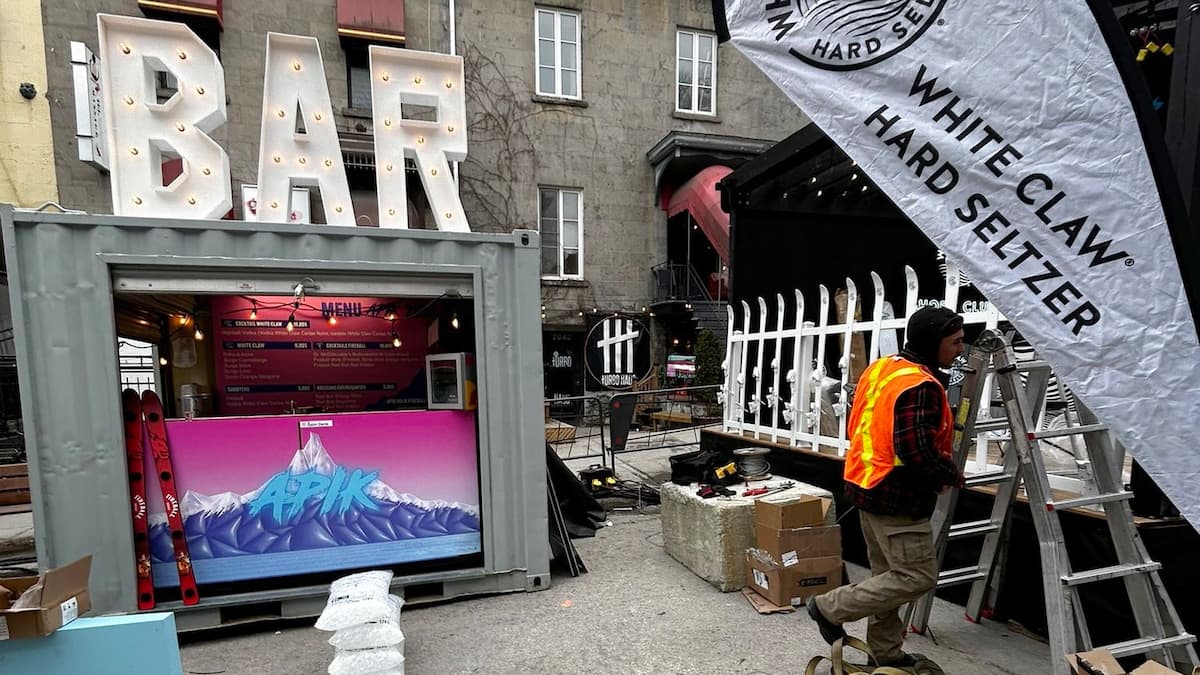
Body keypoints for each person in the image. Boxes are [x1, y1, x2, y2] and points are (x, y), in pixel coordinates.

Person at [806, 305, 966, 669]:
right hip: (898, 498)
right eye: (954, 342)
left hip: (866, 483)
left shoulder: (885, 367)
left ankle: (886, 656)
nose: (960, 349)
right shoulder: (920, 385)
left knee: (886, 580)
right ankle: (830, 607)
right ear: (932, 342)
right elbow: (916, 450)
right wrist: (950, 474)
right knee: (915, 576)